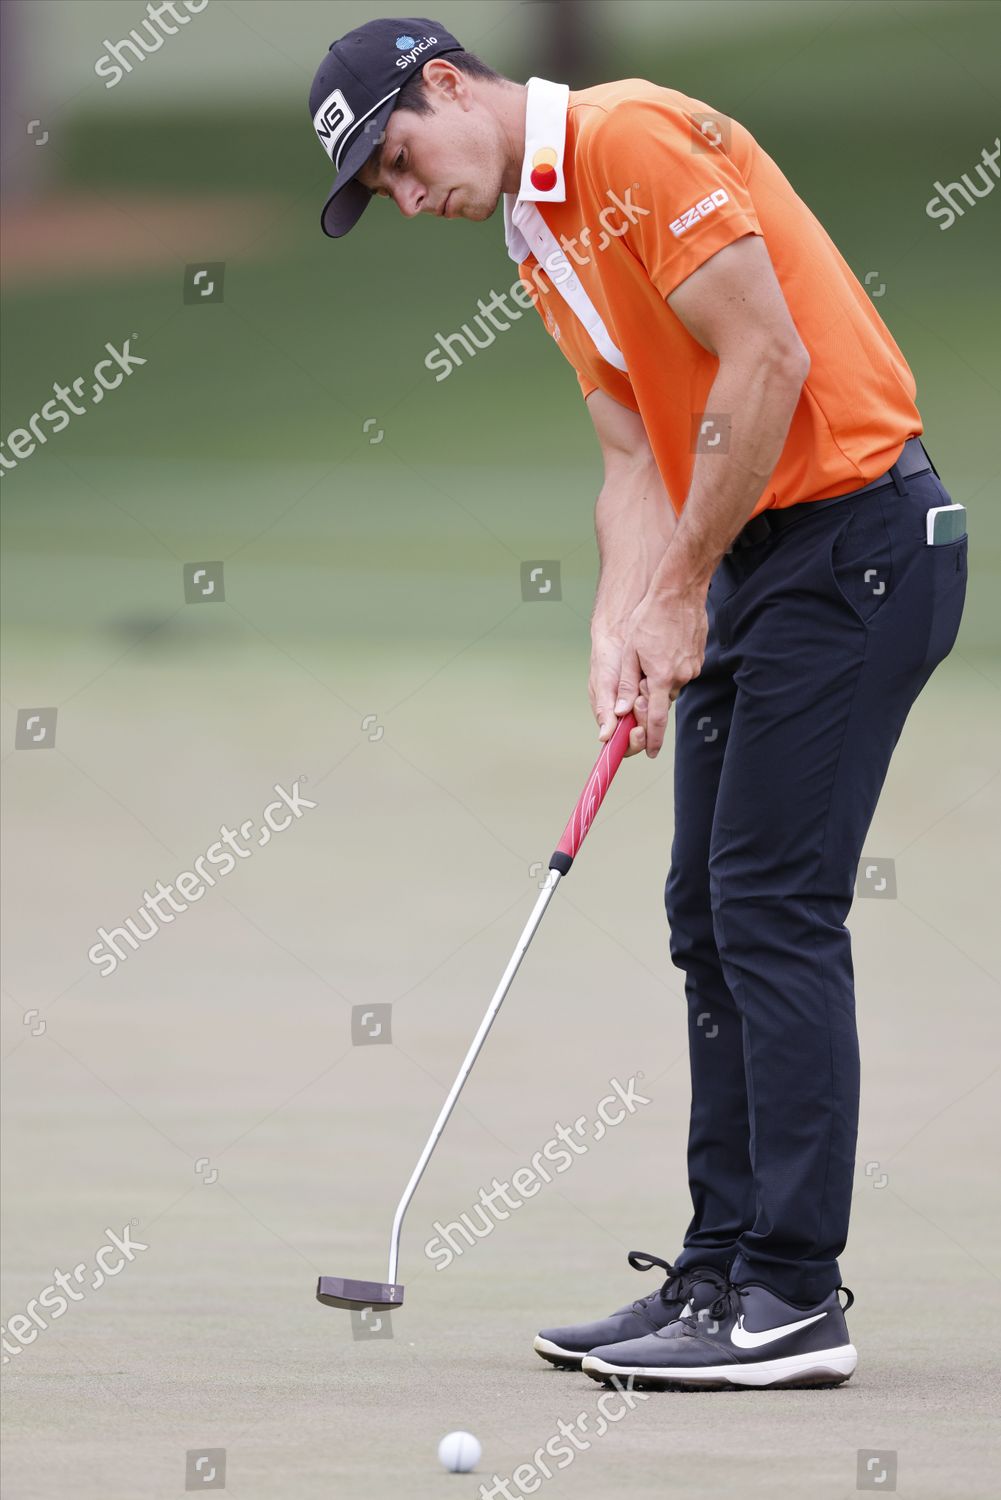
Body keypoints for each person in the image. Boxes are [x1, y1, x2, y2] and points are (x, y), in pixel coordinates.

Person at [307, 17, 968, 1390]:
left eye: (396, 158)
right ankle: (719, 1269)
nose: (407, 193)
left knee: (772, 906)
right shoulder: (533, 235)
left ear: (444, 84)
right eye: (379, 188)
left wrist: (681, 592)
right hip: (755, 562)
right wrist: (623, 618)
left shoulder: (627, 138)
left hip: (854, 543)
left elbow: (767, 363)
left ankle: (792, 1298)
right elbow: (631, 451)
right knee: (704, 911)